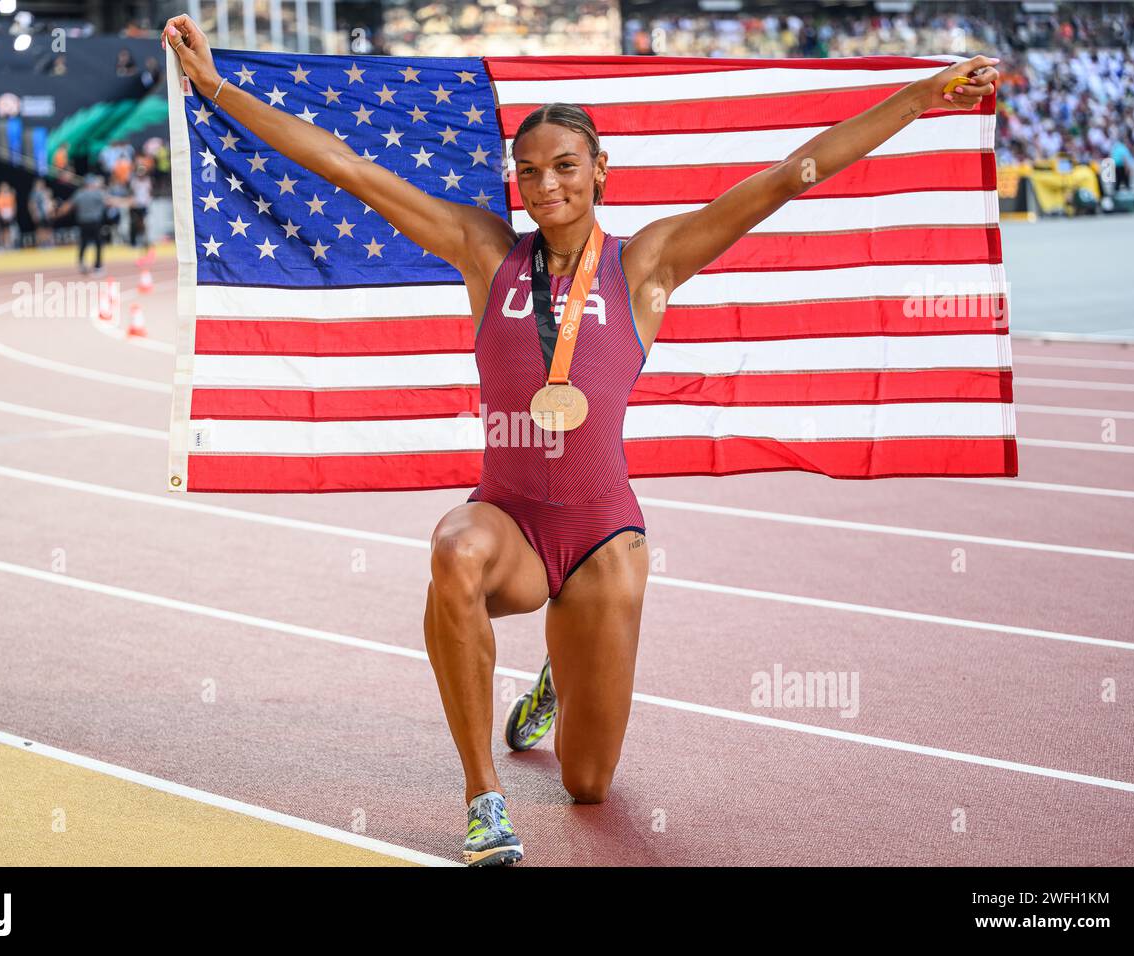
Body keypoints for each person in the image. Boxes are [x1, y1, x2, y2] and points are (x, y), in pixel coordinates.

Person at [162, 13, 998, 867]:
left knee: (587, 784)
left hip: (602, 537)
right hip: (511, 524)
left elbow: (788, 177)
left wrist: (922, 97)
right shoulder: (484, 251)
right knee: (451, 551)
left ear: (600, 170)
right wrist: (216, 87)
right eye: (529, 171)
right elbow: (343, 166)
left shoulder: (648, 265)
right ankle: (483, 796)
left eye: (564, 167)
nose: (546, 185)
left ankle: (560, 673)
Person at [58, 174, 109, 274]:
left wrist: (58, 213)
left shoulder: (79, 193)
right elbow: (108, 202)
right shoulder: (97, 193)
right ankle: (98, 266)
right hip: (95, 222)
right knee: (98, 243)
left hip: (83, 222)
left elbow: (69, 205)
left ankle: (81, 263)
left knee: (83, 243)